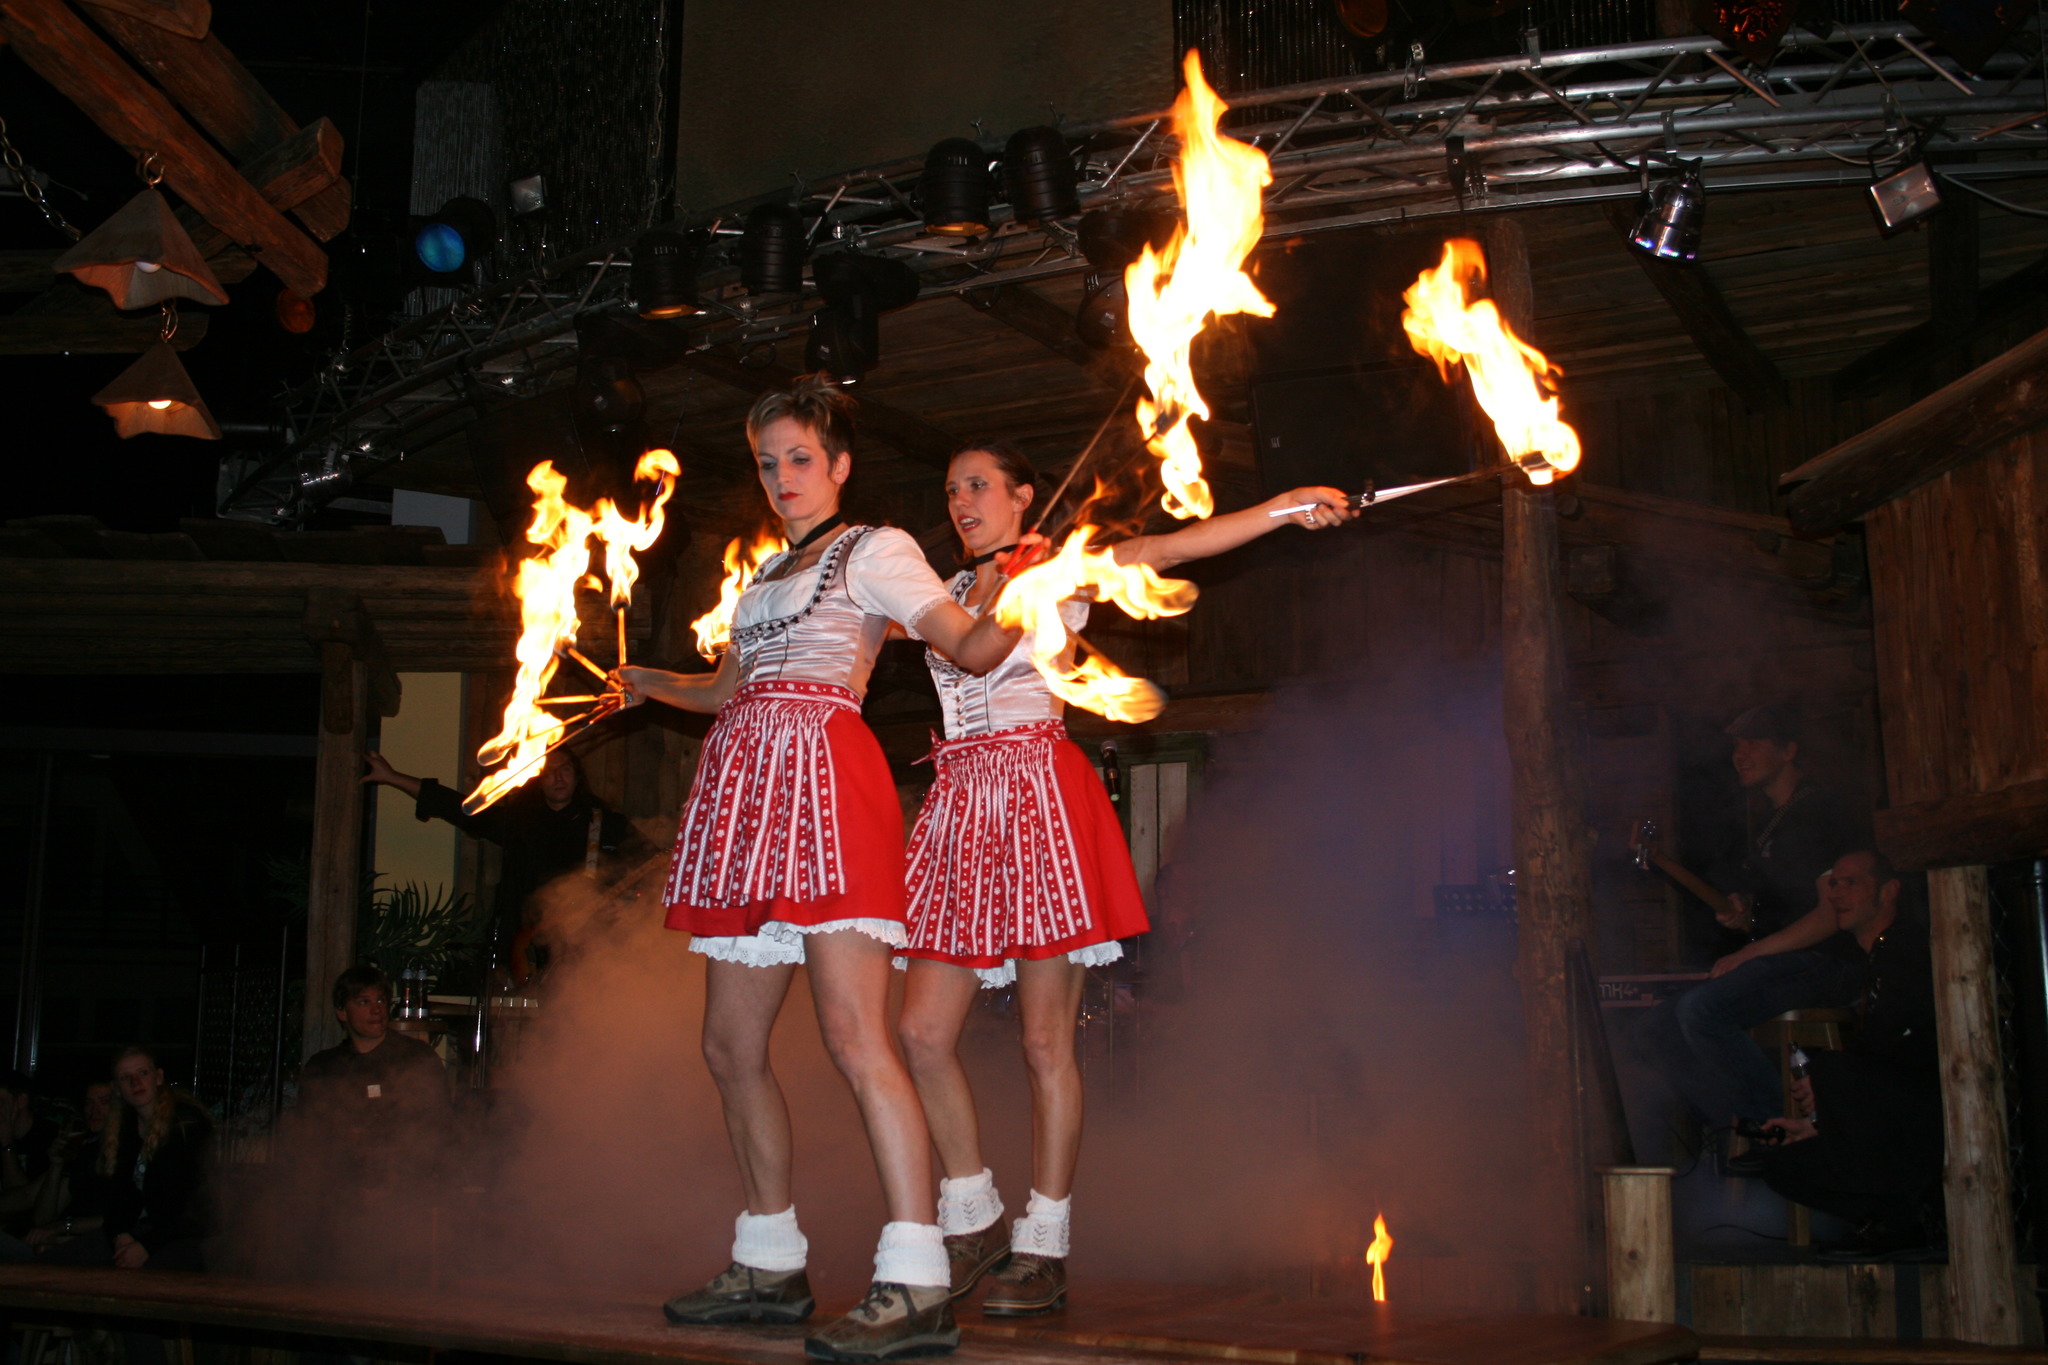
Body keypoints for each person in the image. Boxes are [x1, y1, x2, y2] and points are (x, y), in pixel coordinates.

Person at [893, 439, 1357, 1315]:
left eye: (980, 484)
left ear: (1024, 496)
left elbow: (1161, 552)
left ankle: (1045, 1240)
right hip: (959, 803)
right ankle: (974, 1212)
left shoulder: (1057, 568)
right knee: (919, 1034)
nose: (962, 499)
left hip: (1036, 790)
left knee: (1042, 1042)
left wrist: (1280, 508)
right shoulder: (939, 594)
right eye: (951, 486)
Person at [611, 376, 1023, 1361]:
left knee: (854, 1037)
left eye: (798, 457)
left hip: (826, 790)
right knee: (726, 1046)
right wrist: (643, 684)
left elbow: (964, 644)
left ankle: (918, 1277)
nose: (781, 477)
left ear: (837, 464)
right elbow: (724, 688)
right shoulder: (759, 574)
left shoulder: (875, 549)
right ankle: (769, 1259)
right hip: (746, 805)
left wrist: (1019, 589)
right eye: (766, 462)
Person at [1627, 705, 1864, 1149]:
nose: (1740, 753)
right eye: (1736, 744)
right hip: (1786, 960)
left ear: (1789, 750)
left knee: (1701, 1011)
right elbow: (1781, 910)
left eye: (1753, 742)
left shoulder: (1818, 811)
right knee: (1653, 1031)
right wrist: (1745, 915)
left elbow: (1830, 914)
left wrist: (1752, 951)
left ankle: (1779, 1132)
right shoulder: (1773, 820)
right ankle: (1734, 1129)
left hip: (1826, 963)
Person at [1758, 851, 1940, 1259]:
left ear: (1888, 891)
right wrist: (1826, 1125)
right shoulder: (1871, 960)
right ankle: (1889, 1221)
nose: (1836, 893)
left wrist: (1827, 1085)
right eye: (1832, 884)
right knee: (1780, 1166)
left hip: (1921, 1126)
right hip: (1883, 1129)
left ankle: (1914, 1209)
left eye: (1850, 883)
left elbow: (1900, 1055)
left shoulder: (1907, 950)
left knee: (1834, 1068)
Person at [360, 748, 647, 979]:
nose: (558, 777)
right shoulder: (521, 822)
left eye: (566, 769)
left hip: (590, 956)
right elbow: (460, 808)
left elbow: (651, 866)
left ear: (577, 776)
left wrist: (623, 904)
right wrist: (393, 777)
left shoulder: (607, 824)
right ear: (537, 778)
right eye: (549, 771)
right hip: (526, 954)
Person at [47, 1047, 211, 1272]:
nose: (135, 1083)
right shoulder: (124, 1128)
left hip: (184, 1236)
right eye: (126, 1078)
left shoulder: (187, 1125)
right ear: (117, 1088)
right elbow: (120, 1196)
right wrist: (120, 1235)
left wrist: (145, 1246)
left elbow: (189, 1209)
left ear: (158, 1077)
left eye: (143, 1073)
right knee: (53, 1264)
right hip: (140, 1231)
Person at [295, 966, 452, 1186]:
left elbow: (439, 1129)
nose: (376, 1010)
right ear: (342, 1012)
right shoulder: (325, 1068)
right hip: (341, 1191)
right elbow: (308, 1140)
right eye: (363, 1002)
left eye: (381, 1001)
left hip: (404, 1190)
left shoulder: (416, 1059)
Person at [24, 1081, 114, 1254]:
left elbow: (121, 1218)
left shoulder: (128, 1151)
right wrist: (56, 1165)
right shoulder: (84, 1150)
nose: (94, 1110)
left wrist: (63, 1227)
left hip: (100, 1249)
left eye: (104, 1102)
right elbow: (42, 1219)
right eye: (89, 1103)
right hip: (66, 1245)